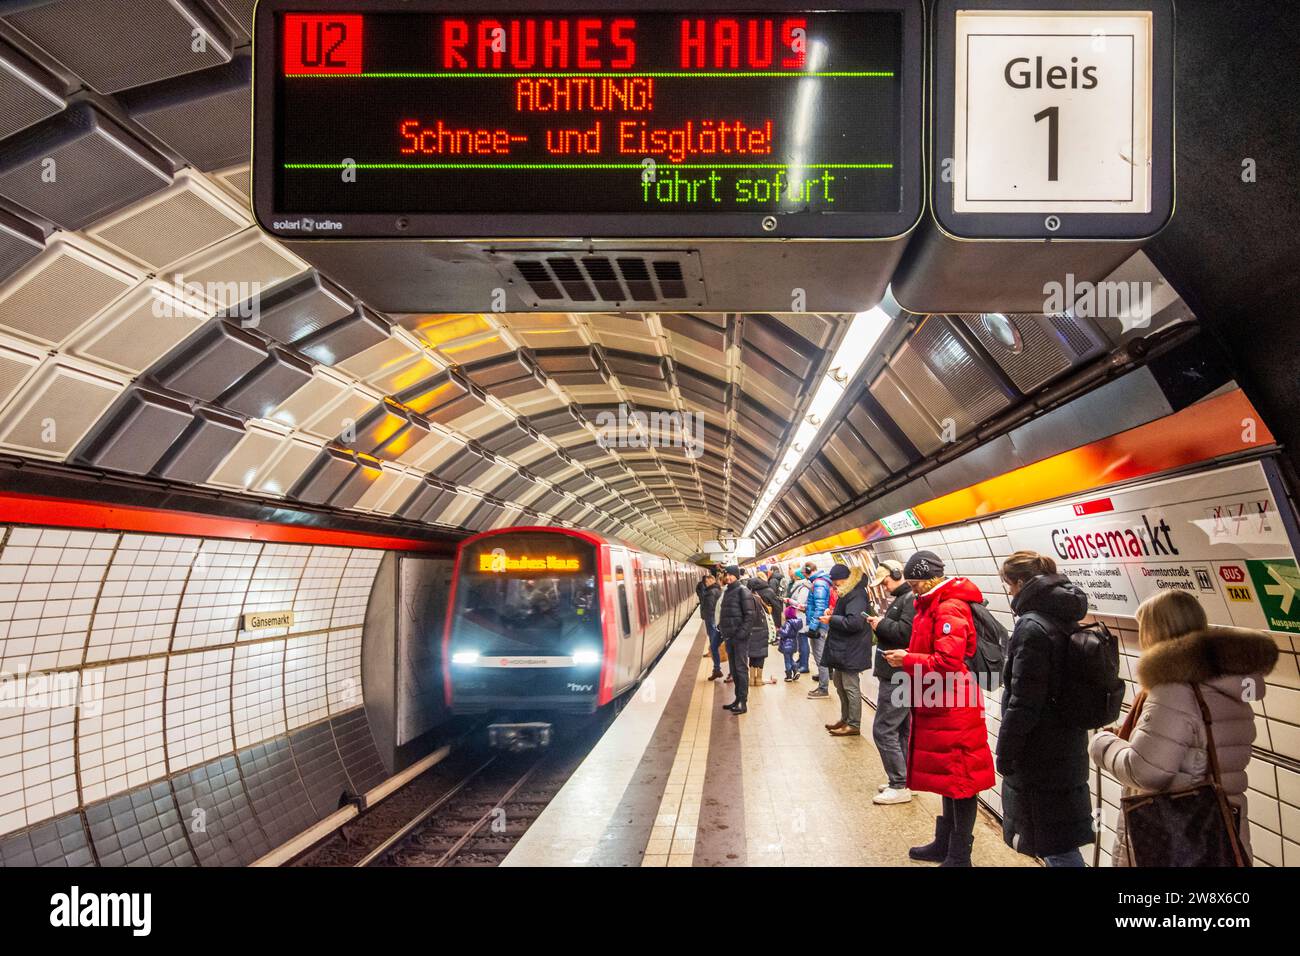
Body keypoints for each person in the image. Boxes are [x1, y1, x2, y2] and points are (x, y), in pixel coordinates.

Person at [1089, 590, 1277, 866]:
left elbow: (1146, 771)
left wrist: (1104, 743)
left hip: (1175, 833)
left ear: (1156, 631)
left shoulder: (1173, 690)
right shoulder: (1230, 683)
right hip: (1218, 829)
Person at [880, 550, 994, 867]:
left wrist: (907, 659)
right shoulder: (930, 605)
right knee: (948, 778)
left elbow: (947, 662)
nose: (911, 588)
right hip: (938, 702)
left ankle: (960, 855)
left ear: (926, 578)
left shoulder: (950, 608)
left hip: (955, 707)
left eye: (914, 582)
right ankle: (944, 844)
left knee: (960, 780)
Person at [995, 551, 1093, 865]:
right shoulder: (1065, 616)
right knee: (1057, 838)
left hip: (1040, 750)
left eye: (1009, 584)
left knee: (1055, 844)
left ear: (1021, 582)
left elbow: (1024, 701)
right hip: (1066, 742)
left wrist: (1006, 751)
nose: (1009, 592)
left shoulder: (1031, 627)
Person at [866, 559, 915, 805]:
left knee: (883, 729)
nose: (884, 587)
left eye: (885, 581)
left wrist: (880, 624)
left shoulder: (908, 600)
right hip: (897, 674)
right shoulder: (902, 599)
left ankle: (899, 784)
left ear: (897, 574)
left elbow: (905, 634)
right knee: (902, 729)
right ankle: (905, 779)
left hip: (899, 675)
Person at [819, 565, 874, 737]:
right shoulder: (849, 592)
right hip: (844, 648)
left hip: (852, 648)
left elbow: (854, 623)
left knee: (850, 686)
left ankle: (853, 724)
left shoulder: (856, 594)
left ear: (845, 578)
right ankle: (845, 718)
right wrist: (833, 613)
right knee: (840, 684)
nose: (834, 585)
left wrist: (832, 619)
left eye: (836, 581)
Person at [716, 565, 753, 715]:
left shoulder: (742, 591)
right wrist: (721, 627)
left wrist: (740, 634)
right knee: (734, 670)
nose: (729, 577)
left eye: (731, 575)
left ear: (737, 576)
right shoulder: (728, 591)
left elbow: (750, 616)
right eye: (727, 575)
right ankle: (737, 699)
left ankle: (743, 702)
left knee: (741, 669)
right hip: (730, 637)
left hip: (739, 639)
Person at [803, 564, 835, 699]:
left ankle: (823, 688)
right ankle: (823, 679)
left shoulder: (819, 584)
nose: (804, 575)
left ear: (809, 571)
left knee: (819, 656)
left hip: (819, 624)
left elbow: (820, 606)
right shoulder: (821, 582)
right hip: (820, 622)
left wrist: (813, 626)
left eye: (804, 573)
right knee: (820, 655)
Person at [787, 565, 815, 674]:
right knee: (802, 640)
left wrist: (789, 601)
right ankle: (802, 661)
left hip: (802, 617)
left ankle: (804, 665)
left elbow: (800, 603)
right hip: (802, 617)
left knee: (803, 640)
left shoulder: (804, 587)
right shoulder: (806, 585)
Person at [699, 572, 724, 681]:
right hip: (718, 622)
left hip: (713, 622)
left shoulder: (710, 593)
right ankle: (717, 670)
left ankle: (717, 669)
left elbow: (710, 610)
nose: (706, 583)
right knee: (715, 646)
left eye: (707, 581)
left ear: (710, 581)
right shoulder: (718, 590)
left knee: (714, 646)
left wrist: (709, 621)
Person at [777, 606, 802, 681]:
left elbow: (785, 633)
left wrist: (779, 630)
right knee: (791, 659)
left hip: (786, 645)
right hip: (793, 644)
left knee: (787, 660)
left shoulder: (788, 623)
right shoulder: (795, 623)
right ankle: (796, 671)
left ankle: (789, 676)